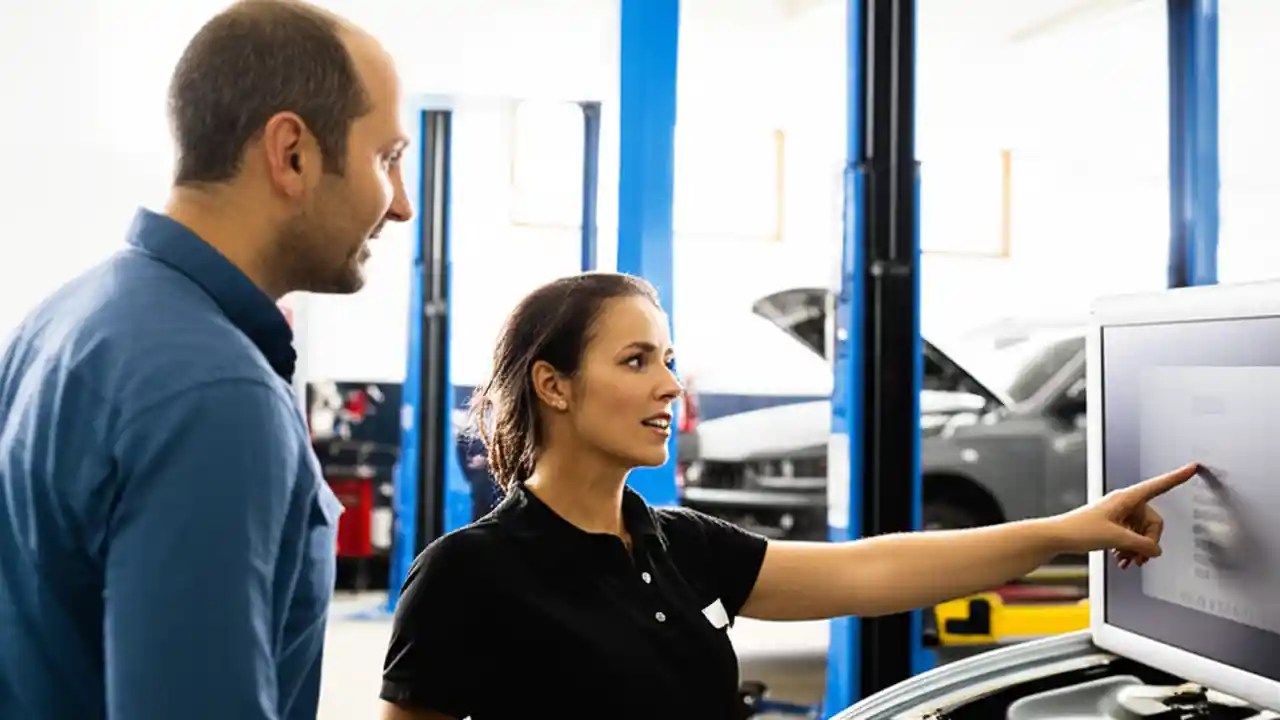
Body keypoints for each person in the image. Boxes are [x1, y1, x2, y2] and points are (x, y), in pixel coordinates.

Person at [378, 272, 1199, 720]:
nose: (670, 384)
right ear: (553, 386)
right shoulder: (468, 576)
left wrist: (1065, 530)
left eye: (668, 358)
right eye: (636, 362)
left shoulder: (678, 545)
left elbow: (874, 572)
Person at [0, 2, 412, 719]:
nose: (401, 204)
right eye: (388, 159)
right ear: (292, 154)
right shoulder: (215, 395)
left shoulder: (65, 319)